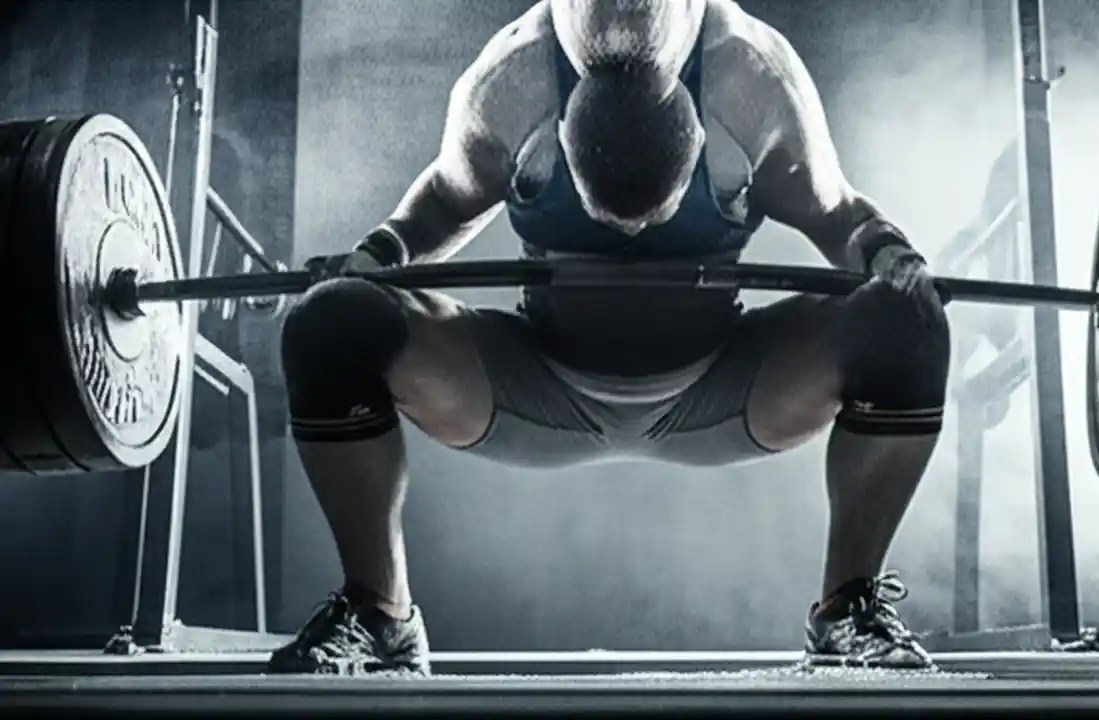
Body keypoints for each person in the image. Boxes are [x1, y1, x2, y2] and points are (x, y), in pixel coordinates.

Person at [269, 0, 949, 676]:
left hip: (722, 387)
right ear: (561, 132)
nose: (632, 234)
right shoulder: (514, 77)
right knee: (333, 322)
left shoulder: (749, 75)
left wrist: (891, 254)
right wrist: (371, 259)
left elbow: (837, 212)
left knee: (903, 322)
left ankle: (846, 611)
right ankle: (381, 614)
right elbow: (448, 196)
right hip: (535, 385)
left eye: (650, 219)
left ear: (698, 133)